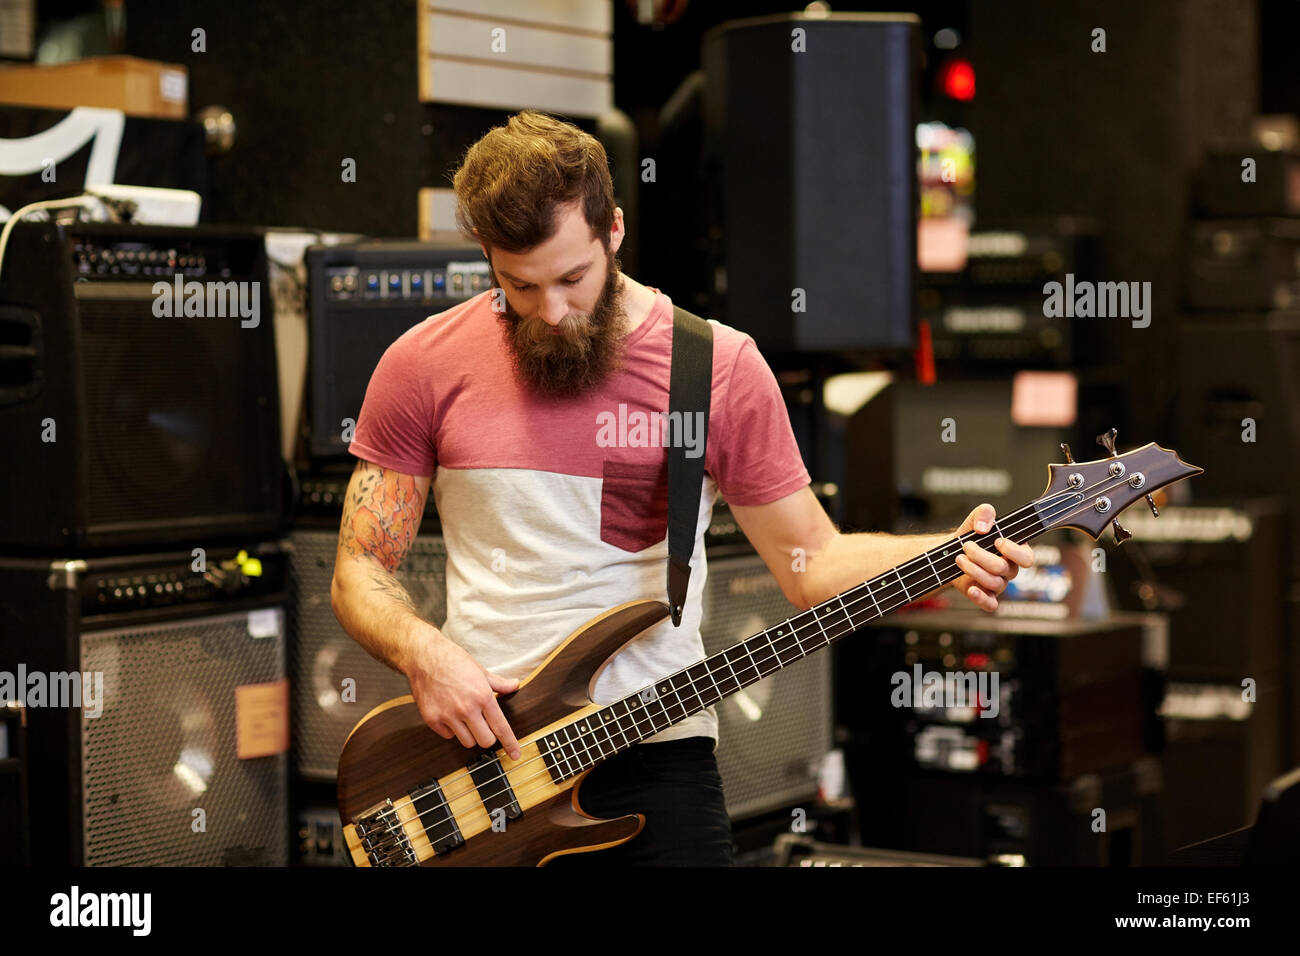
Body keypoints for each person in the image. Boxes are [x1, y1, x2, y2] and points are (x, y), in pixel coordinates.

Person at [329, 110, 1034, 866]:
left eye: (573, 277)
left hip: (655, 747)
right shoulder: (422, 365)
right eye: (520, 286)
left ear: (614, 232)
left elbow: (810, 563)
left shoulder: (715, 368)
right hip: (476, 765)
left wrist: (946, 552)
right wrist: (421, 653)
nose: (553, 311)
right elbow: (359, 568)